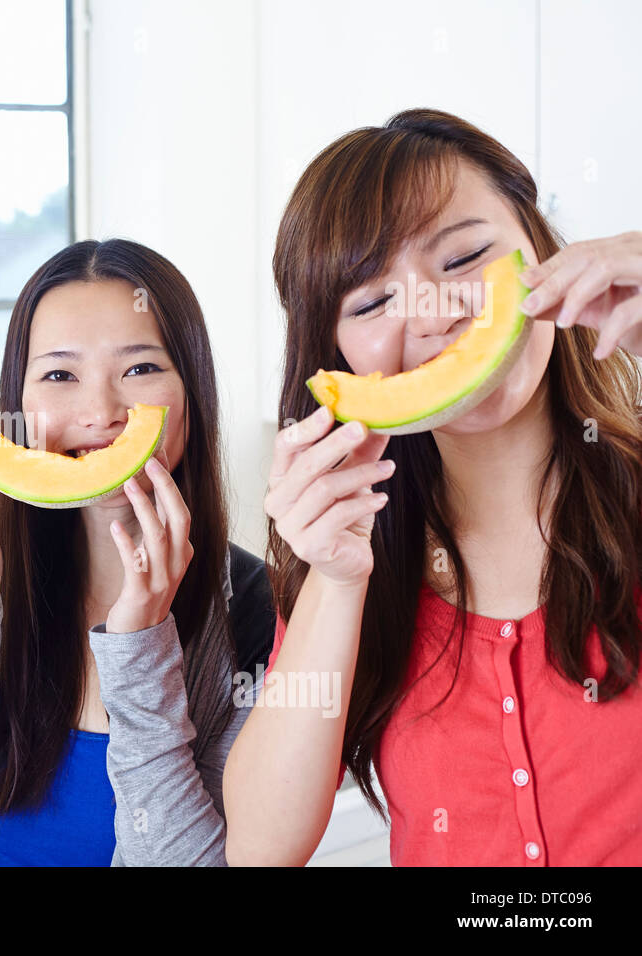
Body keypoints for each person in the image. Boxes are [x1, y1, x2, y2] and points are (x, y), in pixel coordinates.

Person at [224, 108, 642, 866]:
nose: (436, 315)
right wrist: (338, 577)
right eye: (372, 302)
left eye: (466, 258)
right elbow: (261, 847)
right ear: (340, 359)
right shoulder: (343, 562)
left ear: (543, 249)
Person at [0, 238, 275, 866]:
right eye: (59, 374)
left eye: (139, 370)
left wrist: (141, 650)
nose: (101, 413)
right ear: (17, 407)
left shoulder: (262, 614)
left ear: (193, 394)